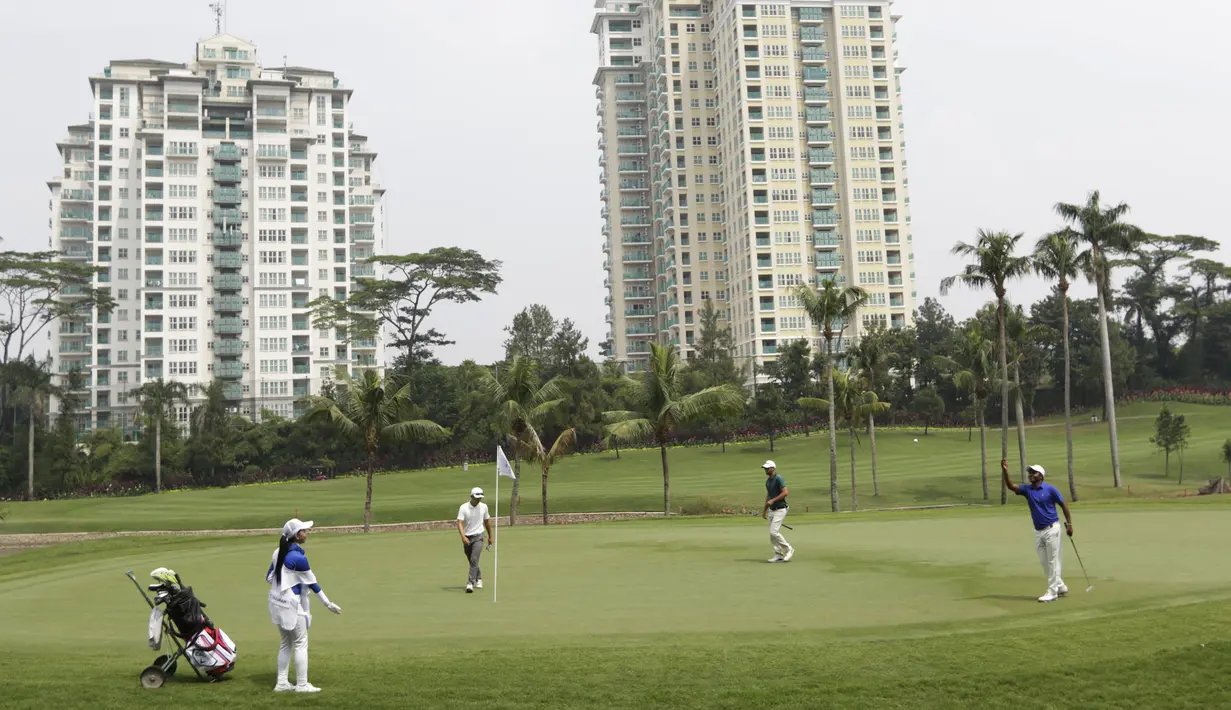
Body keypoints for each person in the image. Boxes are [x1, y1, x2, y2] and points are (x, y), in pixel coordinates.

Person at [266, 518, 343, 692]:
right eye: (304, 531)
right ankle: (302, 684)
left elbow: (269, 577)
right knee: (301, 643)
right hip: (291, 604)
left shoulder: (278, 552)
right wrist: (327, 603)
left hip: (276, 602)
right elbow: (313, 584)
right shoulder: (298, 558)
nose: (306, 533)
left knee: (286, 643)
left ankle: (282, 683)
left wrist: (289, 579)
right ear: (296, 535)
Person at [1002, 459, 1073, 602]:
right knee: (1044, 563)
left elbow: (1063, 504)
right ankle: (1060, 586)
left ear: (1040, 475)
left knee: (1052, 562)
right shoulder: (1027, 490)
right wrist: (1005, 471)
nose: (1030, 475)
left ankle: (1052, 593)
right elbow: (1011, 486)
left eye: (1033, 472)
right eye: (1030, 473)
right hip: (1039, 532)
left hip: (1052, 529)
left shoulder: (1050, 489)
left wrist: (1069, 524)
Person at [457, 487, 495, 593]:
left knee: (474, 559)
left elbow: (487, 522)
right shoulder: (463, 507)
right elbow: (459, 523)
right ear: (471, 496)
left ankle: (470, 583)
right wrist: (463, 537)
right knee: (472, 560)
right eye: (476, 497)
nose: (478, 500)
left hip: (479, 536)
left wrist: (490, 537)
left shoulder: (484, 507)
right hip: (467, 537)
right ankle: (479, 577)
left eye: (480, 498)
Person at [761, 460, 794, 563]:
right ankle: (778, 554)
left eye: (767, 468)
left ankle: (788, 549)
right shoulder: (768, 481)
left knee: (774, 532)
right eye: (765, 468)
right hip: (772, 510)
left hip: (781, 509)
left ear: (773, 468)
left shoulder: (778, 478)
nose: (765, 470)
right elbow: (768, 496)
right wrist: (764, 510)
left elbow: (785, 492)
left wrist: (773, 500)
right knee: (772, 535)